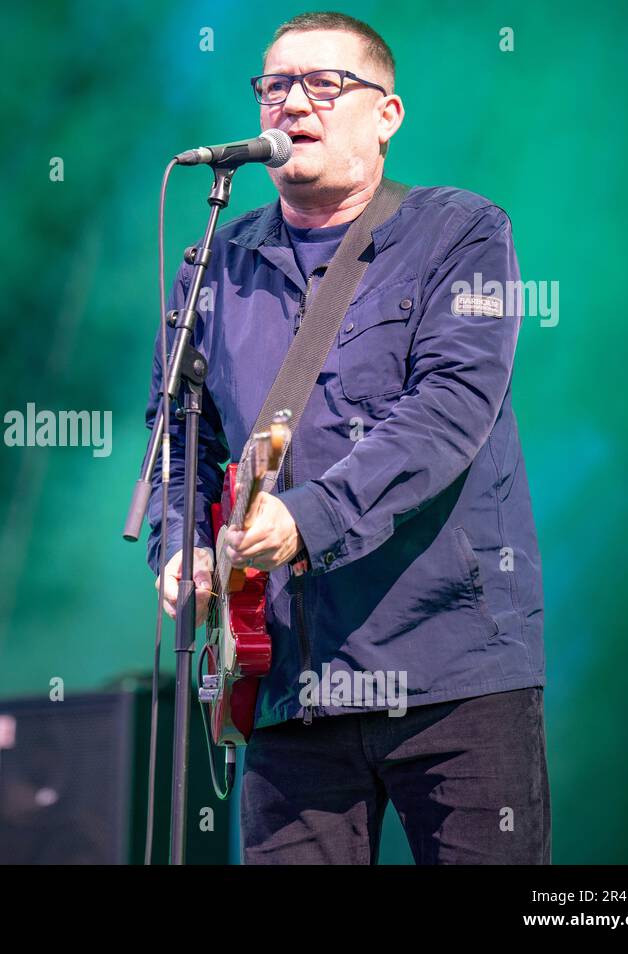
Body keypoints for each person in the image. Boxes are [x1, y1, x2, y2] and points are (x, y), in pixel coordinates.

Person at [144, 11, 549, 864]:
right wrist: (179, 546)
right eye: (275, 86)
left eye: (325, 84)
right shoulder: (211, 265)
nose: (295, 103)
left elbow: (450, 408)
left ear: (387, 114)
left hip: (450, 668)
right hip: (289, 681)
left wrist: (305, 520)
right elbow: (181, 441)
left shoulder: (461, 231)